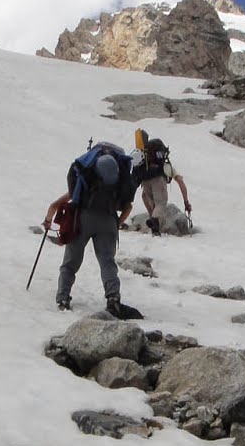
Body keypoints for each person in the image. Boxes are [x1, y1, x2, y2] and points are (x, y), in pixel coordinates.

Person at [43, 151, 135, 315]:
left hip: (83, 220)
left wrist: (48, 220)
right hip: (108, 221)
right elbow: (128, 207)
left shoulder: (86, 180)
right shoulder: (116, 185)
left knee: (71, 261)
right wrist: (117, 223)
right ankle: (113, 298)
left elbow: (56, 204)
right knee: (107, 261)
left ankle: (63, 298)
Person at [135, 134, 191, 233]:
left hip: (145, 181)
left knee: (156, 207)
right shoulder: (165, 166)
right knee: (161, 203)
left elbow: (143, 196)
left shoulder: (145, 169)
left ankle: (154, 226)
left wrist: (150, 213)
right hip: (159, 181)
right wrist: (186, 202)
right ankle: (154, 222)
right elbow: (180, 182)